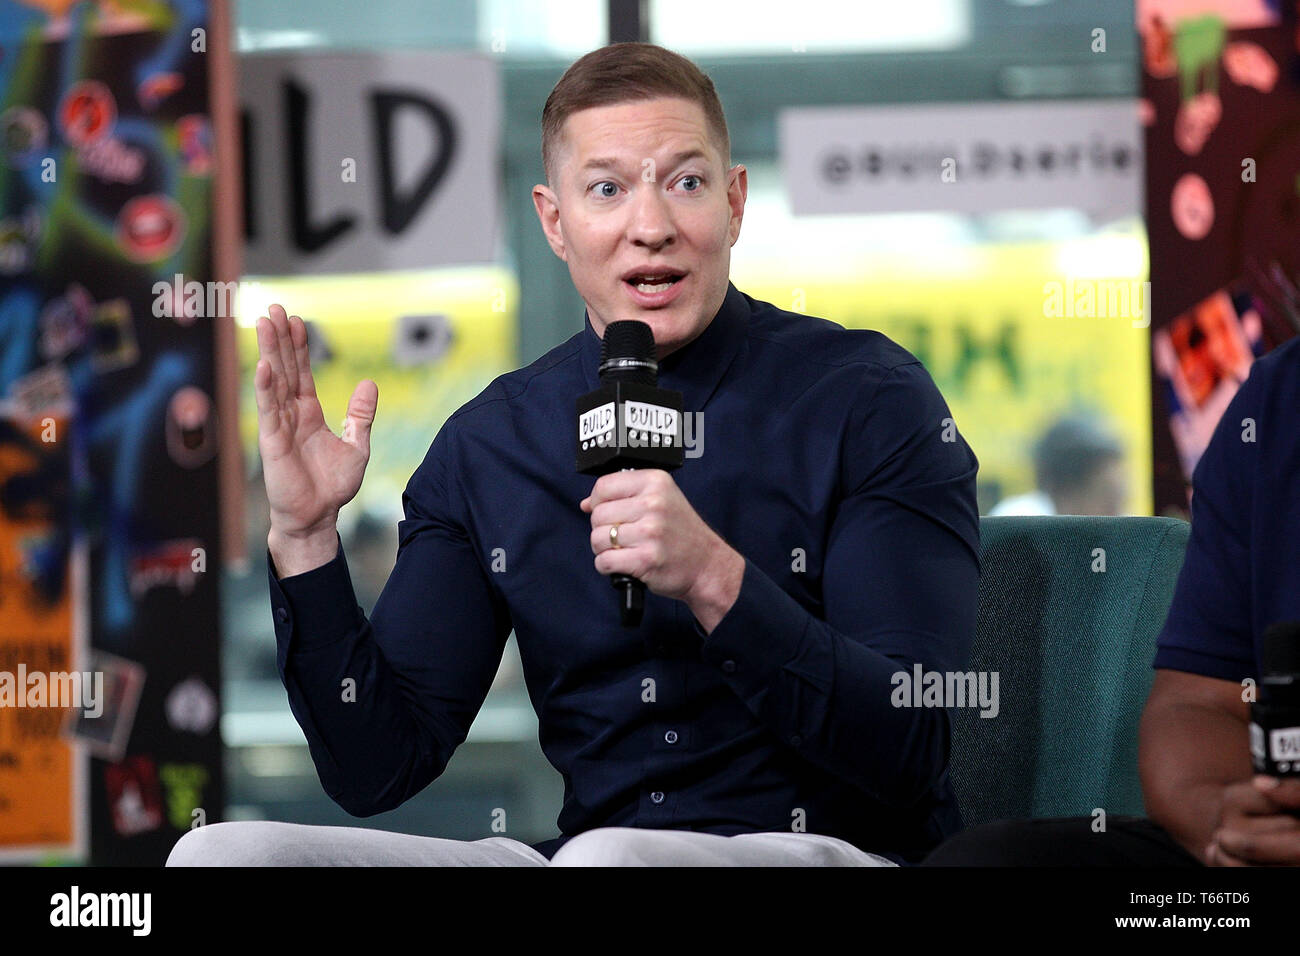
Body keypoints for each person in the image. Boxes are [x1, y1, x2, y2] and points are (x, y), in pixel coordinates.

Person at [167, 42, 980, 867]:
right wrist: (305, 541)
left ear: (735, 204)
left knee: (607, 862)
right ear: (554, 221)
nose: (651, 227)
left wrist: (715, 580)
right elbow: (379, 768)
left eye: (687, 183)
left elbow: (912, 744)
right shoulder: (491, 444)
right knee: (223, 857)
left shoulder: (866, 397)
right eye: (607, 189)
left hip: (839, 851)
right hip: (586, 854)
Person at [924, 334, 1300, 866]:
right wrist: (1228, 825)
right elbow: (1195, 704)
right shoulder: (1277, 400)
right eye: (1108, 478)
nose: (1117, 493)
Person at [990, 413, 1127, 517]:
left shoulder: (1123, 534)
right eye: (1106, 496)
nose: (1117, 513)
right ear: (1065, 493)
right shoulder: (1019, 522)